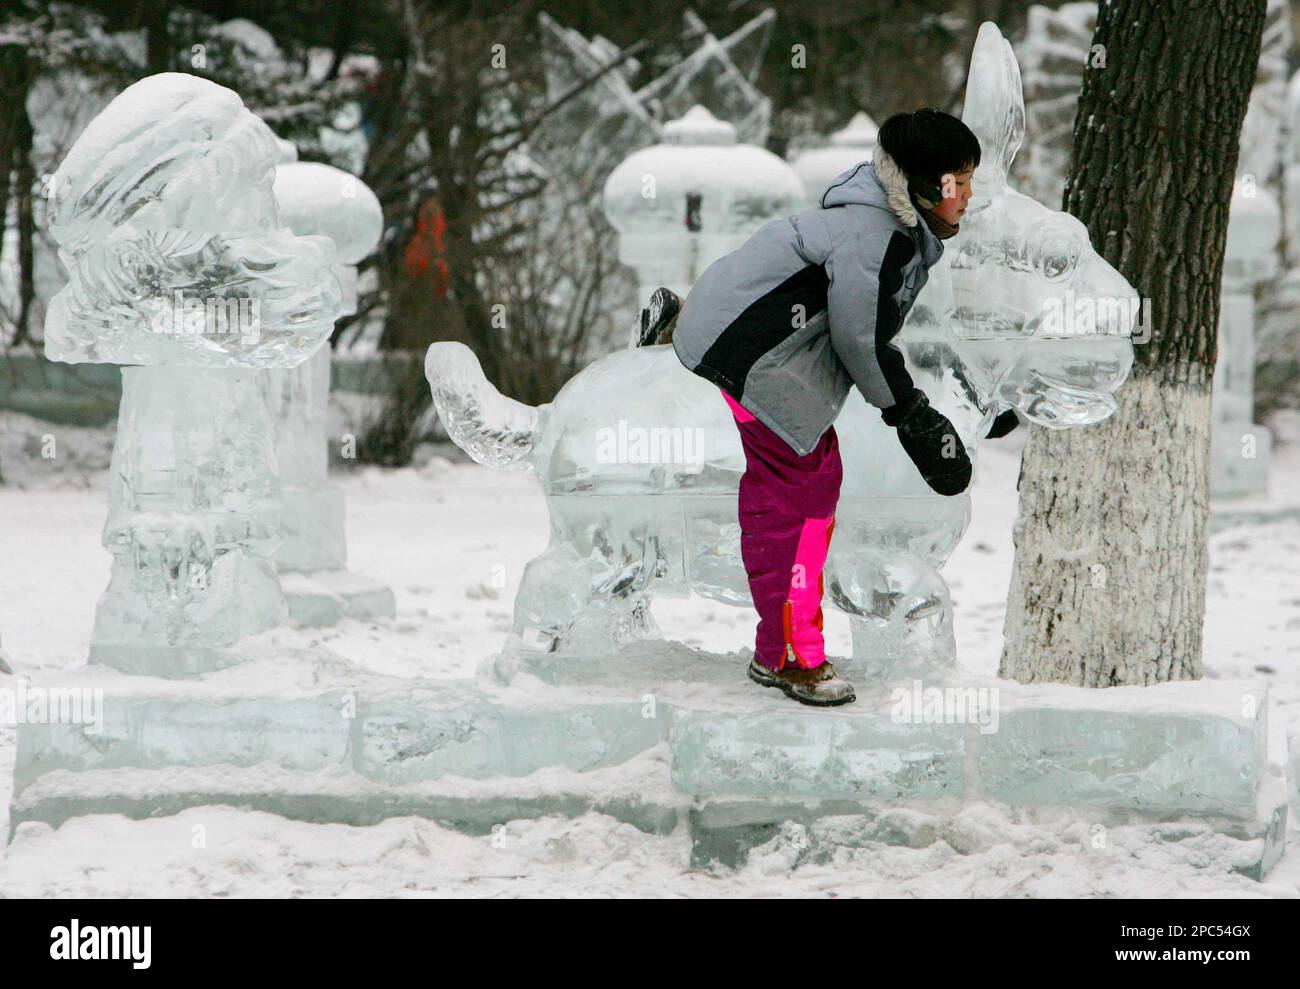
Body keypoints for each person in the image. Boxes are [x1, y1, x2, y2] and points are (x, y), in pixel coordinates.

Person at [649, 108, 1009, 706]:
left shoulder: (888, 221)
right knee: (800, 493)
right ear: (921, 184)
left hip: (747, 327)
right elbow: (860, 341)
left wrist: (973, 402)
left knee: (809, 482)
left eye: (969, 179)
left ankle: (674, 323)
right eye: (956, 181)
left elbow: (894, 329)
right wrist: (913, 418)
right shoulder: (879, 237)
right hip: (754, 355)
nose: (967, 195)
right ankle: (788, 656)